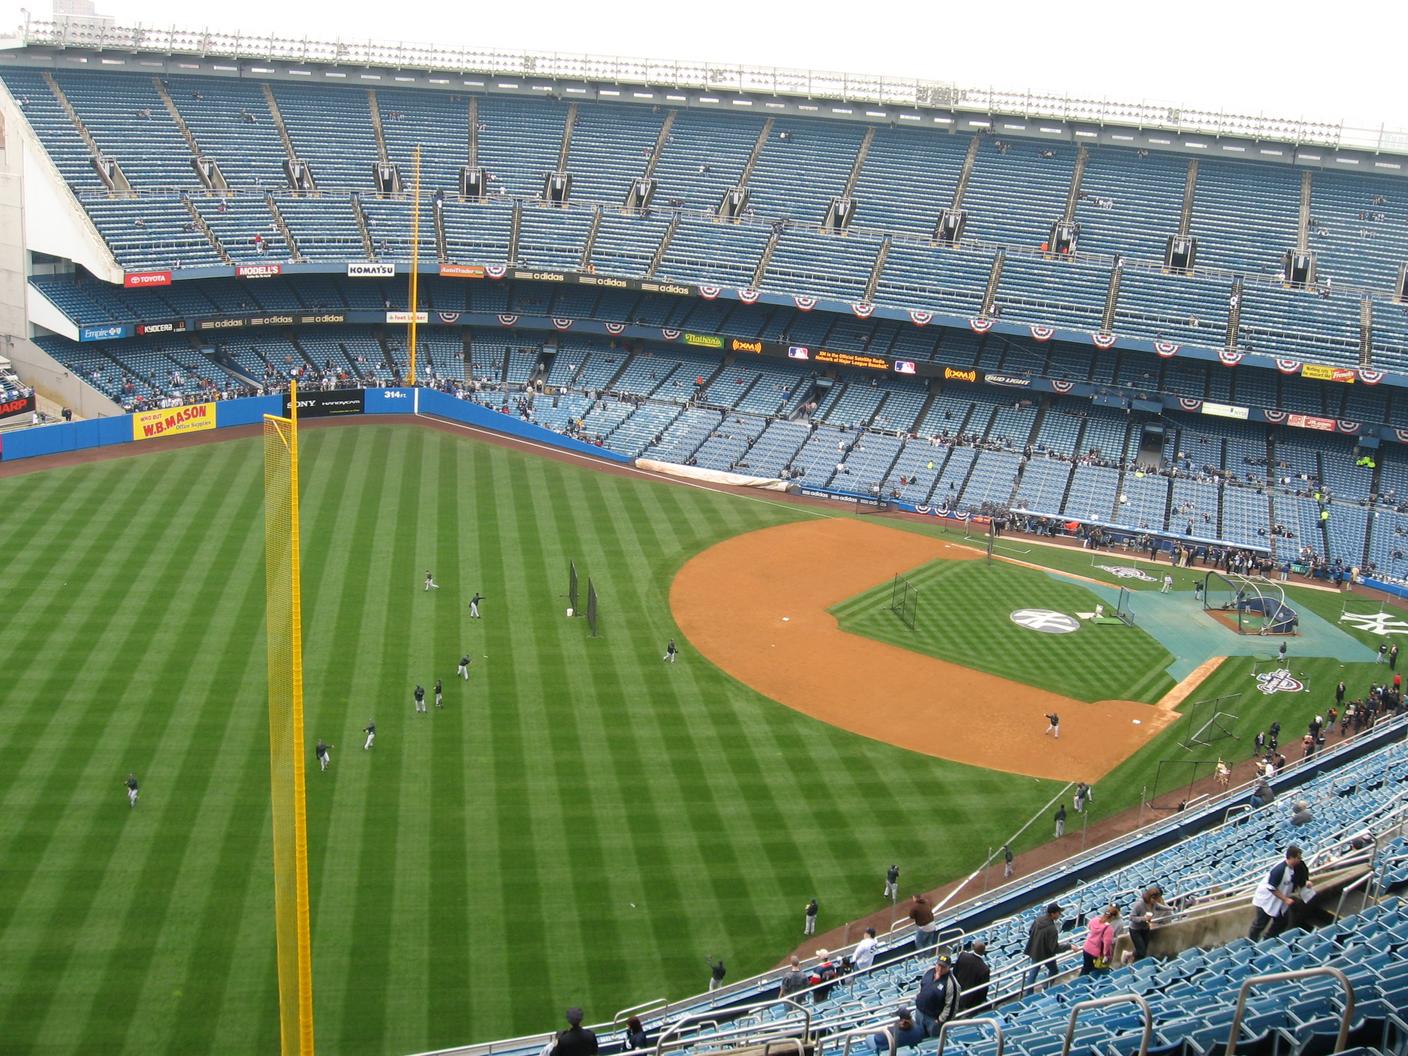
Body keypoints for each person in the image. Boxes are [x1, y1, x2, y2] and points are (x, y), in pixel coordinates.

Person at [1248, 845, 1309, 940]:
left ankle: (1267, 939)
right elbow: (1271, 888)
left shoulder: (1298, 866)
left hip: (1279, 901)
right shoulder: (1280, 869)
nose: (1300, 860)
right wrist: (1285, 899)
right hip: (1266, 900)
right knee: (1260, 923)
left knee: (1282, 921)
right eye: (1298, 858)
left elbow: (1301, 878)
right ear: (1291, 857)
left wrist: (1306, 883)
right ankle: (1251, 942)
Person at [914, 954, 960, 1037]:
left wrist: (939, 1021)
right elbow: (921, 986)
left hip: (933, 1019)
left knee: (932, 1041)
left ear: (948, 967)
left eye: (943, 967)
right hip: (919, 1012)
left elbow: (951, 1007)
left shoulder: (951, 983)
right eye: (939, 965)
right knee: (918, 1036)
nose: (940, 968)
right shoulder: (929, 971)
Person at [1023, 904, 1065, 992]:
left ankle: (1029, 993)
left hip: (1035, 951)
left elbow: (1030, 932)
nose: (1059, 914)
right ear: (1052, 914)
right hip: (1046, 954)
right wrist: (1069, 946)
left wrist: (1038, 943)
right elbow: (1054, 948)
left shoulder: (1038, 920)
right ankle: (1046, 987)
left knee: (1033, 973)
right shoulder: (1052, 929)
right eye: (1058, 913)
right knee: (1053, 971)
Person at [1127, 886, 1167, 961]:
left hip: (1146, 928)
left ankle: (1129, 955)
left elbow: (1167, 921)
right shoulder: (1140, 904)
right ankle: (1133, 961)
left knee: (1143, 949)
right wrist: (1143, 919)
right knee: (1141, 950)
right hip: (1136, 929)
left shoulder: (1160, 906)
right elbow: (1131, 917)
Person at [1081, 904, 1120, 975]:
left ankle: (1081, 982)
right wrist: (1106, 955)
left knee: (1086, 968)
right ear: (1113, 917)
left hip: (1086, 948)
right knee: (1102, 971)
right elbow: (1107, 943)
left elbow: (1089, 927)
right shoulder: (1108, 929)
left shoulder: (1094, 920)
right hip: (1097, 953)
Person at [953, 940, 990, 1010]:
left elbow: (955, 972)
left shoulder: (963, 956)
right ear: (983, 952)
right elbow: (983, 990)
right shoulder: (985, 969)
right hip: (970, 1000)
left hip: (956, 992)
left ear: (973, 948)